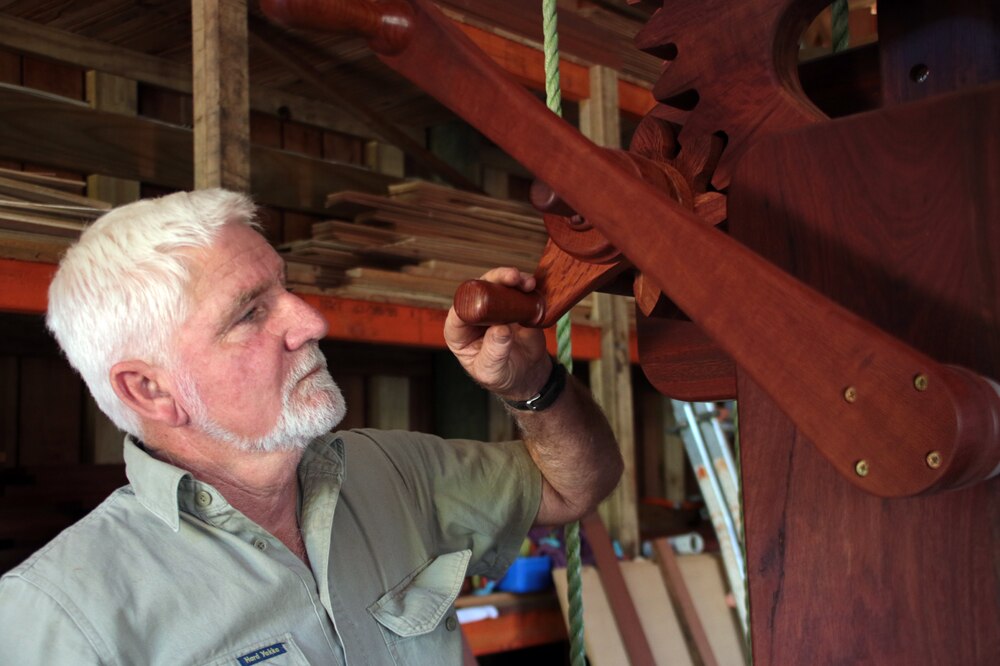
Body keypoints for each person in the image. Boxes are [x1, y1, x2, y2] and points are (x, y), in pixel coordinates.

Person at [0, 189, 622, 664]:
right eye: (250, 313)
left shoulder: (389, 472)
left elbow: (573, 486)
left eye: (287, 288)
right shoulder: (59, 616)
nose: (311, 321)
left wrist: (533, 387)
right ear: (150, 390)